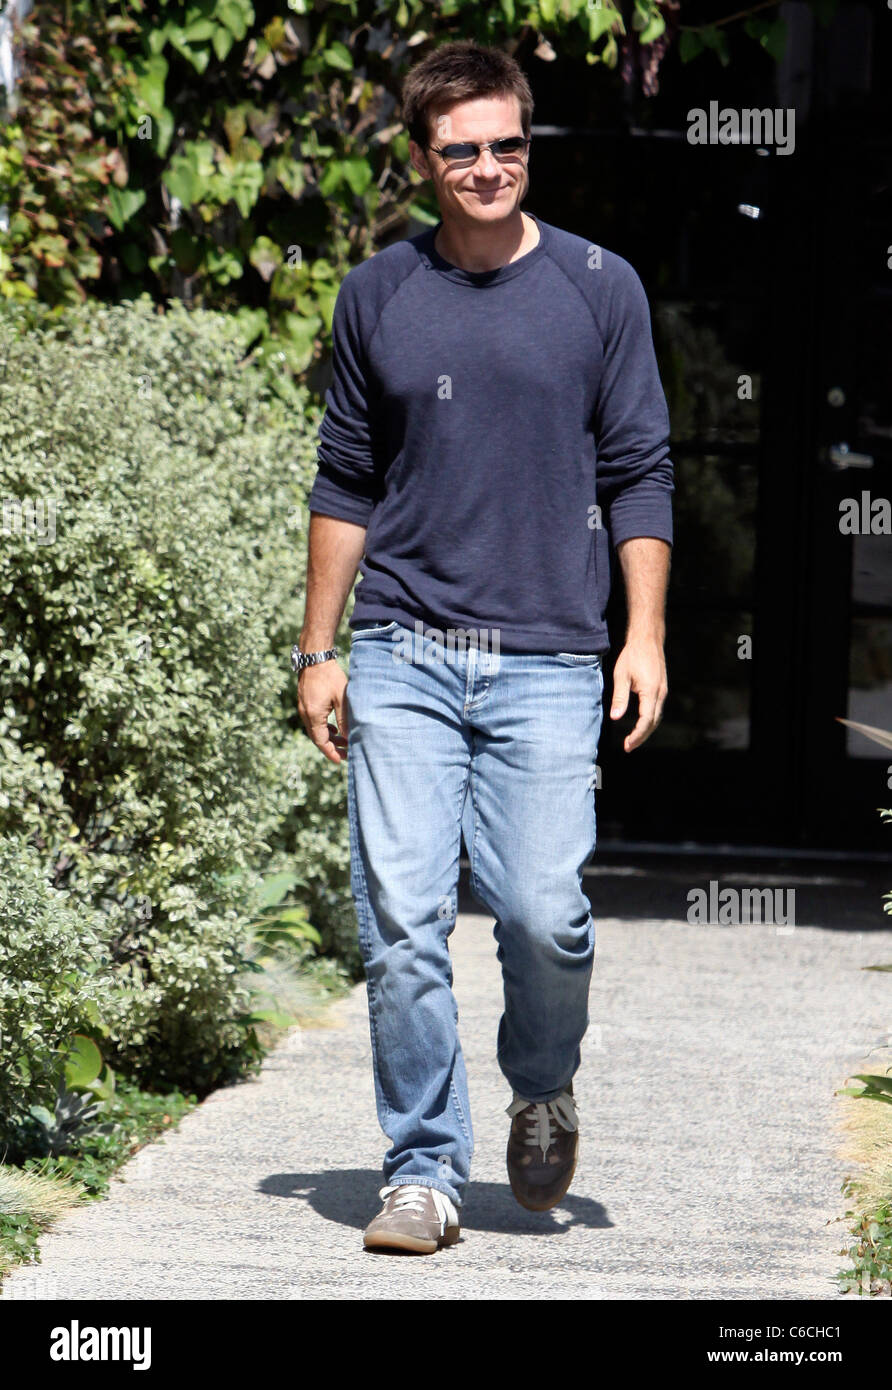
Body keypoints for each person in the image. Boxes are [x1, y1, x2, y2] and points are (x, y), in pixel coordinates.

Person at [294, 39, 673, 1256]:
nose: (491, 167)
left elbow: (639, 472)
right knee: (402, 916)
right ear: (422, 160)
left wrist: (645, 634)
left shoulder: (598, 287)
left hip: (551, 655)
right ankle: (422, 1169)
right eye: (463, 151)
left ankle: (544, 1083)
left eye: (509, 144)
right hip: (402, 647)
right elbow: (343, 480)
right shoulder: (376, 296)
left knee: (541, 911)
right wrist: (318, 649)